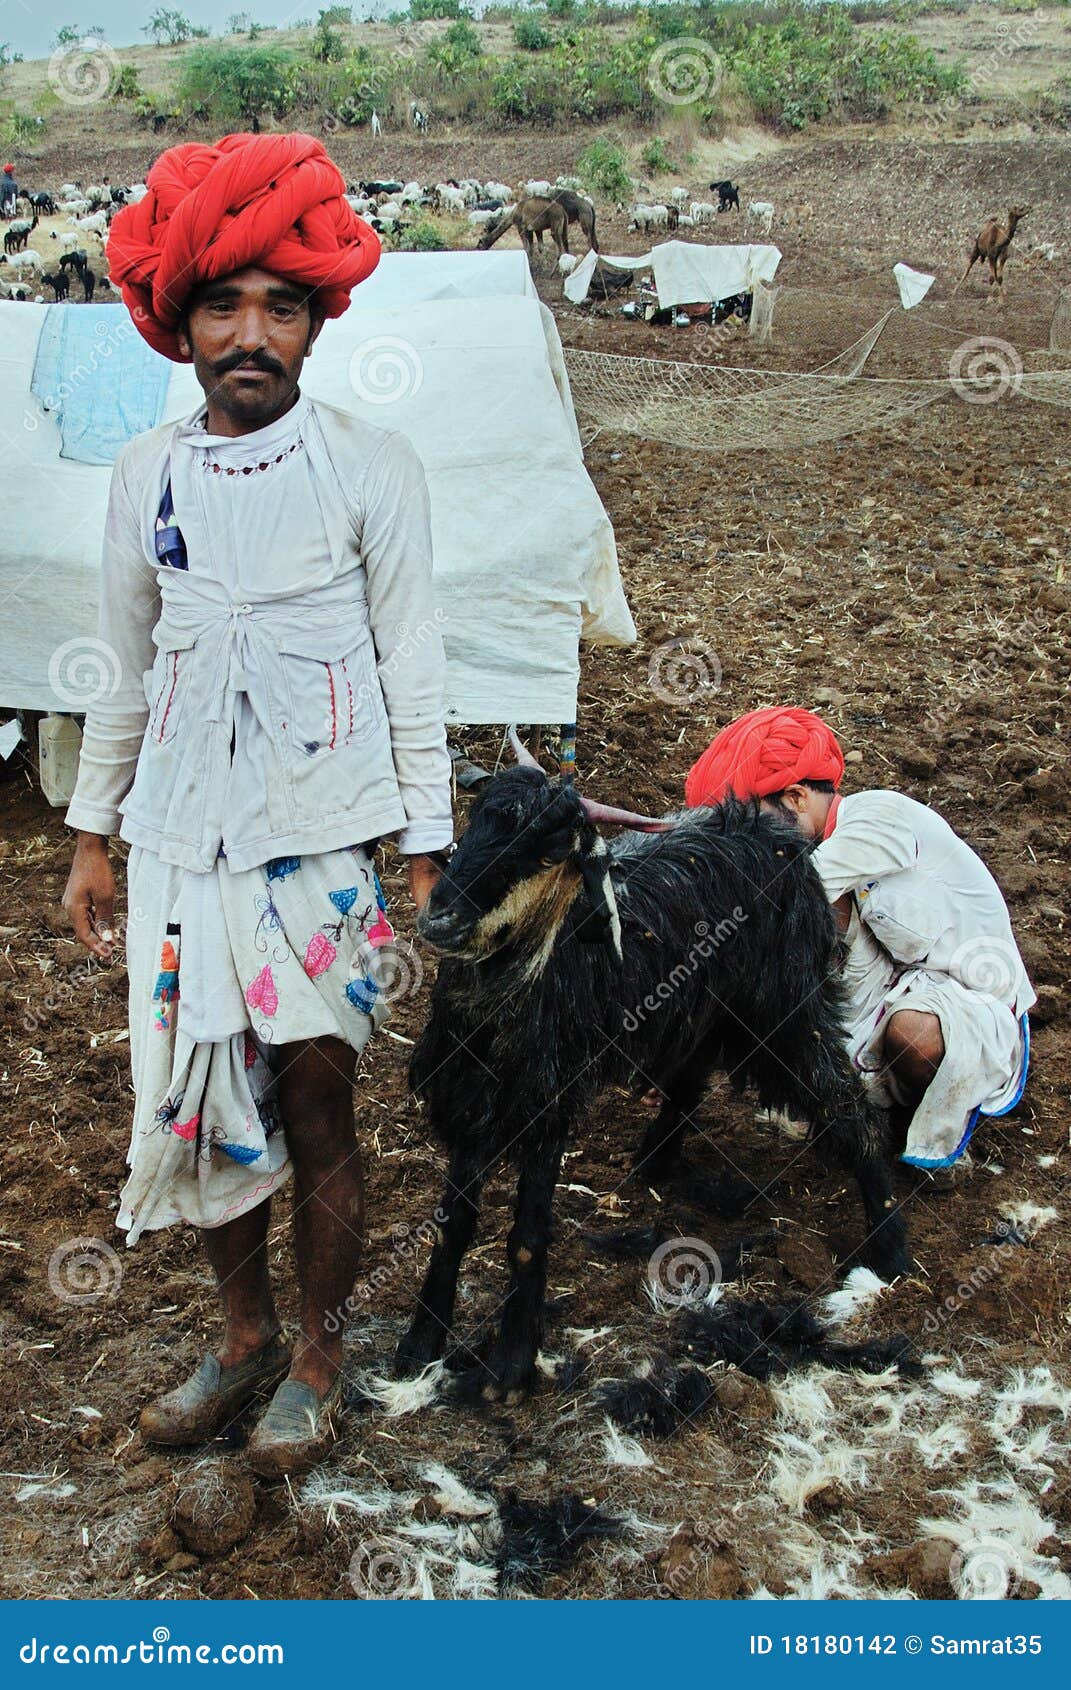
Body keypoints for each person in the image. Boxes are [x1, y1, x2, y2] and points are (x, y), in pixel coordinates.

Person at [61, 131, 454, 1478]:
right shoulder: (145, 477)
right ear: (177, 321)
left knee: (318, 1102)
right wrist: (91, 837)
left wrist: (425, 838)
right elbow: (121, 664)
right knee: (199, 1096)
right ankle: (237, 1337)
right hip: (177, 845)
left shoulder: (370, 468)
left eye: (279, 307)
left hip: (323, 845)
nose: (249, 333)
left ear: (314, 321)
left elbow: (412, 659)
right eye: (220, 304)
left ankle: (319, 1354)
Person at [684, 707, 1034, 1170]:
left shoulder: (877, 816)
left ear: (795, 797)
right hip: (894, 986)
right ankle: (873, 1095)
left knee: (914, 1035)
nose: (747, 846)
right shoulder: (824, 859)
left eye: (750, 825)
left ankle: (931, 1114)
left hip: (970, 999)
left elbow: (781, 902)